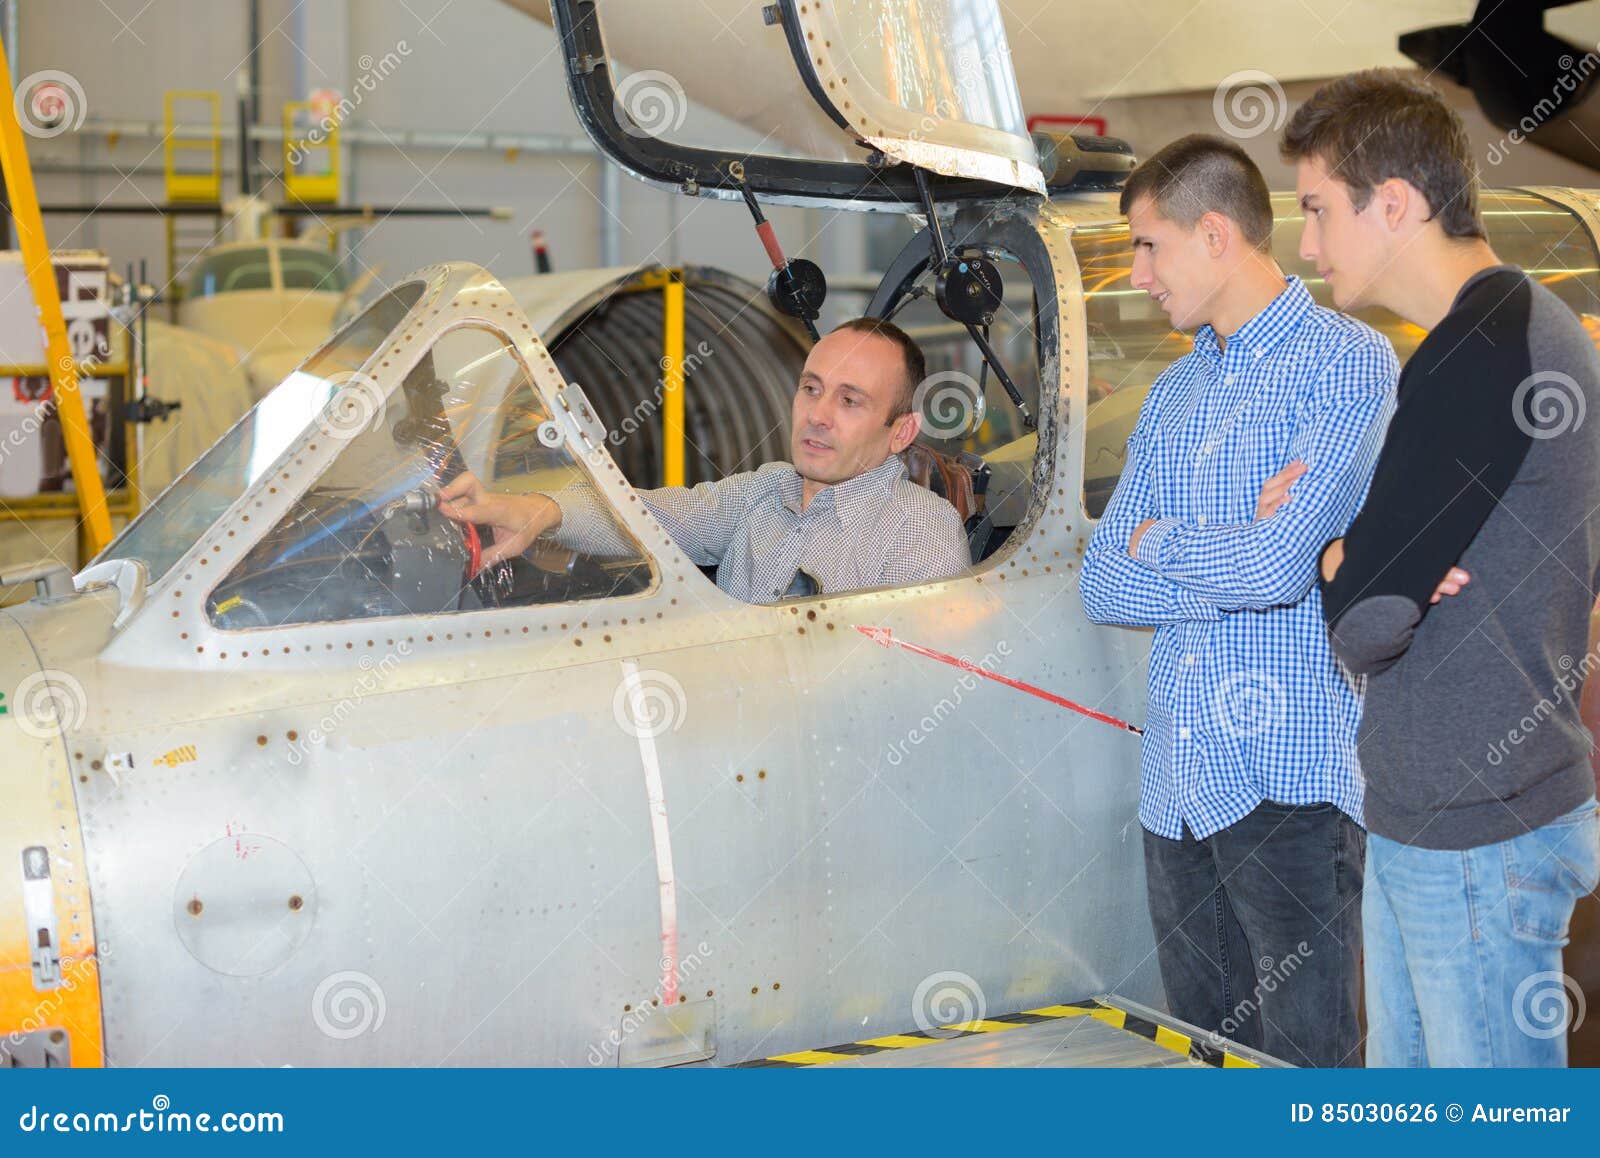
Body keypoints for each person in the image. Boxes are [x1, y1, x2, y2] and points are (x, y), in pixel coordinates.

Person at [1289, 68, 1600, 1067]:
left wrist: (1343, 555)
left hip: (1475, 832)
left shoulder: (1483, 348)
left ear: (1395, 204)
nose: (1305, 245)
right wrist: (1366, 557)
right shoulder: (1497, 334)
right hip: (1448, 818)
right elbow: (1384, 582)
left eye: (1315, 210)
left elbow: (1366, 617)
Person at [1079, 133, 1399, 1067]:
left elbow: (1276, 573)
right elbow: (1104, 582)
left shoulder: (1346, 363)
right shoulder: (1174, 391)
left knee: (1307, 1070)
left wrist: (1163, 542)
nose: (1137, 274)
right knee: (1200, 1060)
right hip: (1176, 786)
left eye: (1148, 246)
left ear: (1214, 234)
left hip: (1287, 786)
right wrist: (1238, 552)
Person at [438, 317, 970, 602]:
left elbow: (910, 694)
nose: (818, 415)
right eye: (811, 389)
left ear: (901, 430)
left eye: (850, 401)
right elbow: (647, 518)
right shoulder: (765, 492)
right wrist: (535, 511)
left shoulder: (920, 533)